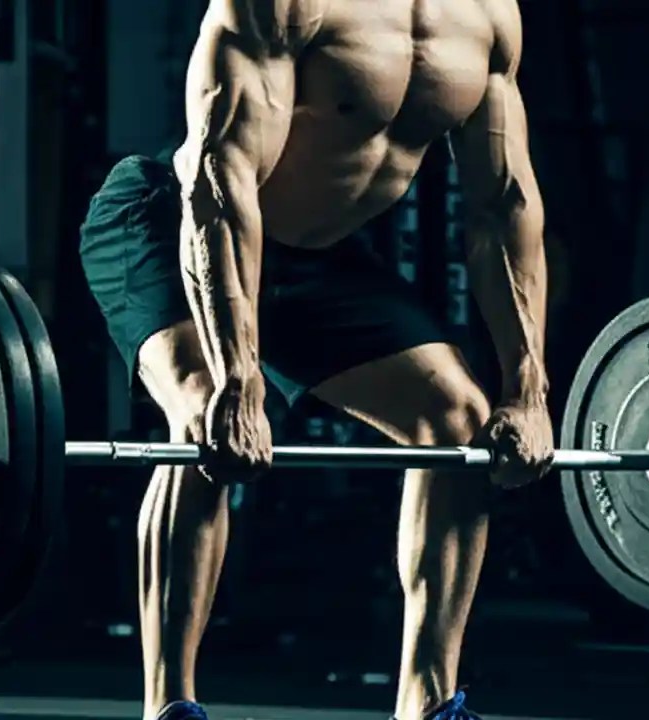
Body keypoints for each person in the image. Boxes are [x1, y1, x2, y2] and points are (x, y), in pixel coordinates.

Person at [79, 0, 554, 718]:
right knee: (202, 413)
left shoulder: (487, 16)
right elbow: (220, 180)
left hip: (318, 261)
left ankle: (426, 703)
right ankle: (169, 704)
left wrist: (529, 388)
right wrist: (240, 380)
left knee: (460, 419)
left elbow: (504, 204)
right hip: (170, 222)